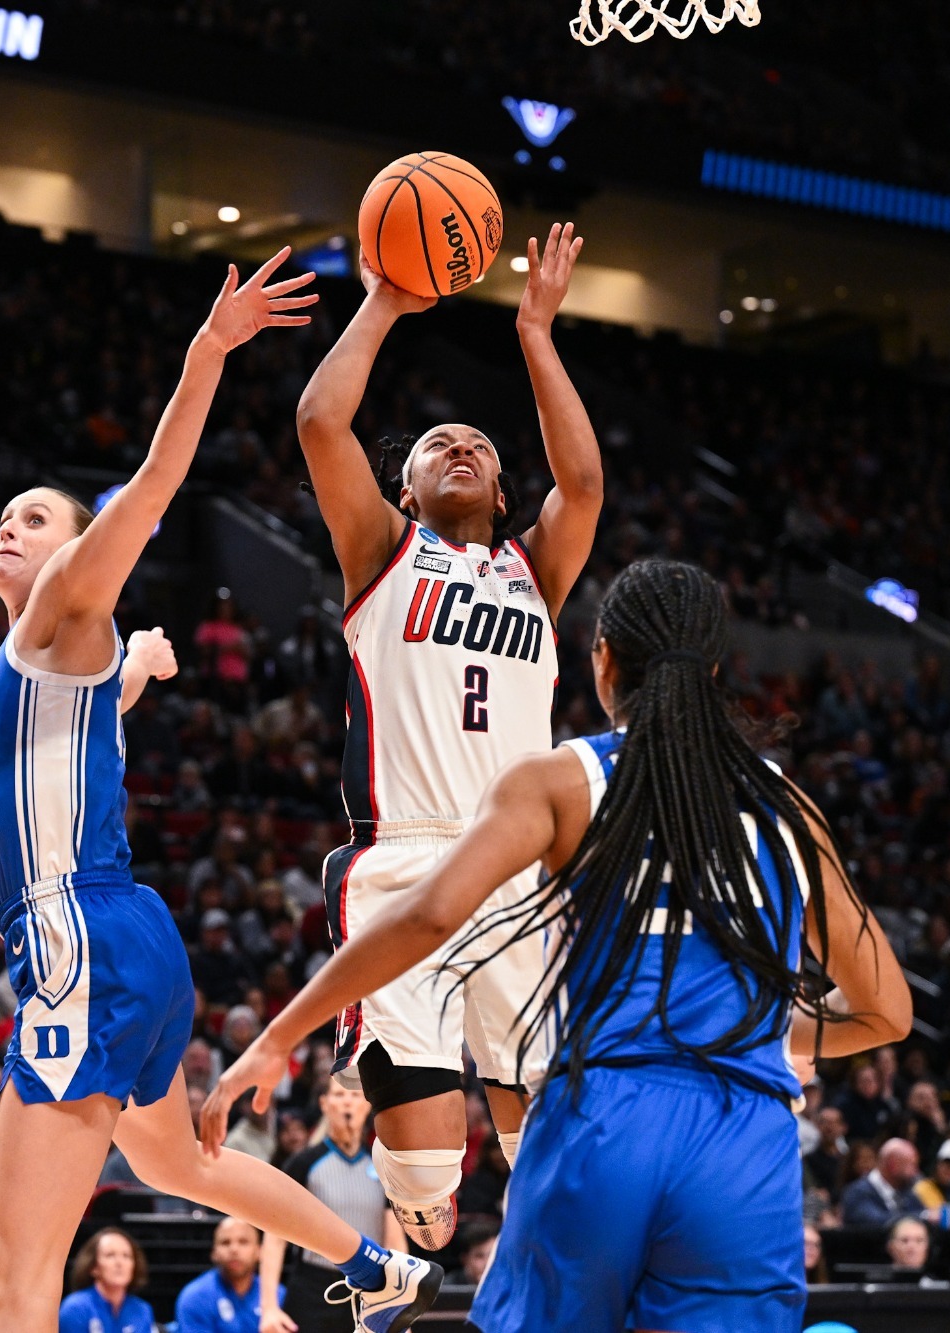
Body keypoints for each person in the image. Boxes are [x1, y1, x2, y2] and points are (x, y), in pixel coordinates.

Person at [205, 558, 913, 1332]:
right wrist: (762, 1028)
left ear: (602, 658)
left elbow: (426, 918)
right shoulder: (788, 808)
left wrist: (278, 1037)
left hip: (604, 1117)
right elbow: (886, 1013)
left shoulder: (560, 780)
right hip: (745, 1141)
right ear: (716, 667)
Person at [0, 255, 437, 1333]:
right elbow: (74, 745)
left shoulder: (55, 617)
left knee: (18, 1290)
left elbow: (148, 491)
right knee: (177, 1160)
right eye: (4, 515)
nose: (10, 525)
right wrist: (134, 674)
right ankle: (373, 1264)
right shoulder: (51, 667)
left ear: (75, 550)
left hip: (76, 934)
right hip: (129, 936)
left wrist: (205, 355)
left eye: (35, 518)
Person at [292, 224, 603, 1245]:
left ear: (504, 492)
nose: (460, 446)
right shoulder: (382, 552)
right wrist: (381, 300)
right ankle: (404, 1268)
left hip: (516, 869)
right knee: (427, 1194)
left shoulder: (534, 569)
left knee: (550, 1166)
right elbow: (320, 423)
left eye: (479, 445)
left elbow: (586, 485)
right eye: (435, 447)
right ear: (406, 490)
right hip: (407, 858)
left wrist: (536, 332)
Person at [259, 1083, 406, 1332]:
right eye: (338, 1095)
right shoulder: (303, 1163)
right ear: (324, 1105)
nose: (347, 1102)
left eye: (354, 1095)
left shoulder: (382, 1170)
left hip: (369, 1289)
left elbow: (394, 1242)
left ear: (367, 1105)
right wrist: (269, 1307)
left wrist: (401, 1309)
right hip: (312, 1288)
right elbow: (274, 1238)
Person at [174, 1217, 280, 1333]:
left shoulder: (277, 1295)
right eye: (225, 1242)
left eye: (243, 1242)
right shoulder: (194, 1297)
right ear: (214, 1253)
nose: (234, 1249)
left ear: (259, 1251)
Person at [57, 1228, 153, 1333]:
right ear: (93, 1267)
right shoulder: (75, 1308)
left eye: (126, 1256)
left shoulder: (142, 1310)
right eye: (110, 1255)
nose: (119, 1263)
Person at [841, 1138, 928, 1227]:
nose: (916, 1172)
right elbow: (876, 1222)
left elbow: (919, 1211)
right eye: (912, 1165)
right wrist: (923, 1216)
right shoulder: (857, 1192)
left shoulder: (906, 1190)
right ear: (892, 1165)